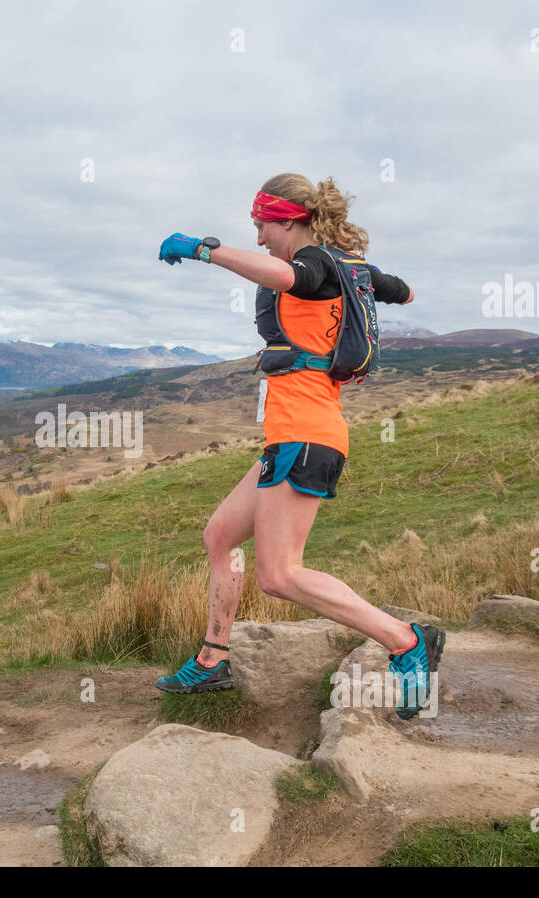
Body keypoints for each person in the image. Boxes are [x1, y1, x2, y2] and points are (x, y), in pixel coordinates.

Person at [153, 173, 445, 719]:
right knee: (220, 536)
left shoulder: (312, 267)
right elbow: (403, 290)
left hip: (307, 434)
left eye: (262, 225)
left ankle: (406, 641)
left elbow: (284, 272)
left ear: (288, 219)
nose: (260, 236)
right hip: (291, 434)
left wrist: (205, 251)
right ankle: (214, 660)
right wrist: (377, 282)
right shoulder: (345, 267)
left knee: (280, 575)